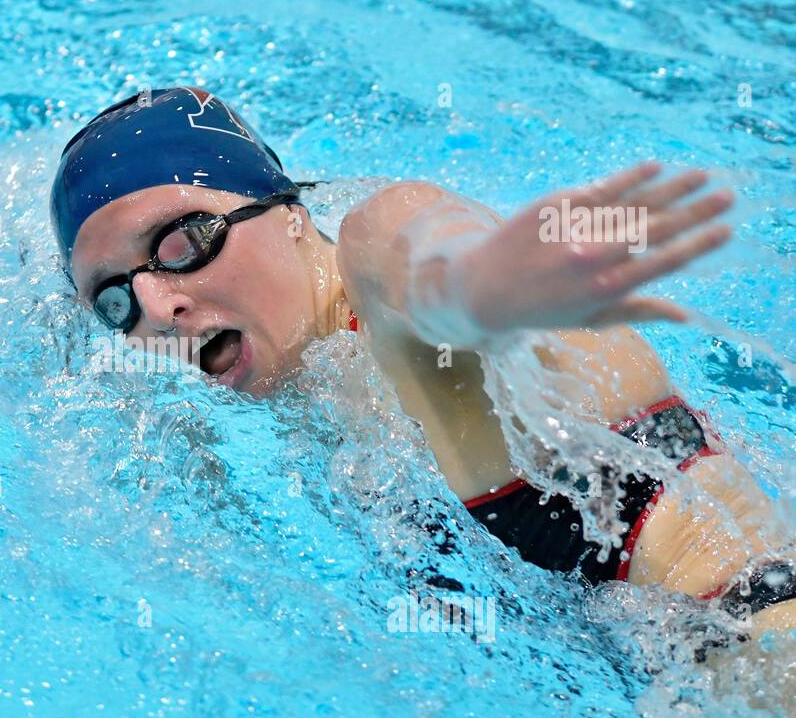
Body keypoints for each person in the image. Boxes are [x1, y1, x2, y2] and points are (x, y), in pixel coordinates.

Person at [50, 86, 796, 652]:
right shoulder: (323, 385)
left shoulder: (382, 272)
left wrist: (482, 286)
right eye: (114, 300)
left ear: (287, 212)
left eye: (183, 243)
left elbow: (410, 244)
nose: (154, 305)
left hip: (760, 649)